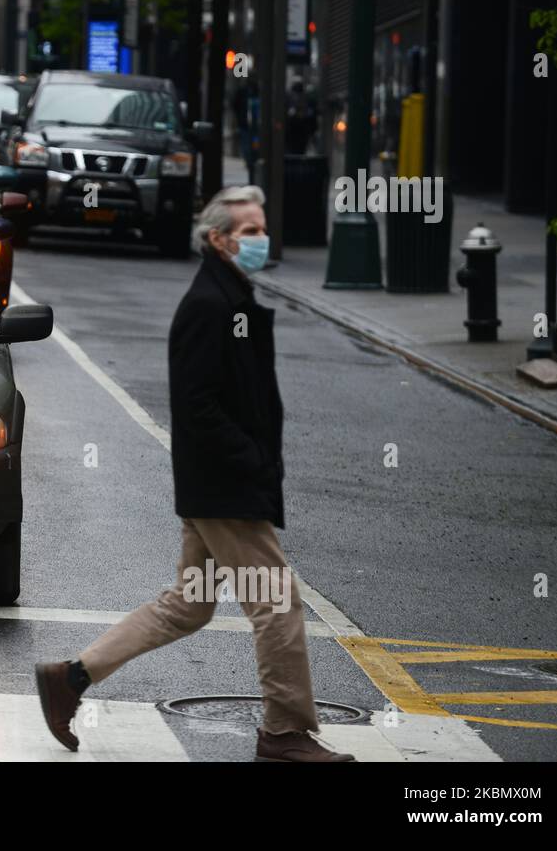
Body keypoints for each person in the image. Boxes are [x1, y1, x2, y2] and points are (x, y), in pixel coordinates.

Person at [34, 185, 355, 763]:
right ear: (219, 239)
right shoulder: (212, 304)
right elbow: (197, 404)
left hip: (219, 483)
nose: (262, 239)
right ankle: (284, 734)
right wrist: (252, 463)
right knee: (277, 602)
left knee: (188, 604)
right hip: (225, 488)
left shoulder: (229, 295)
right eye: (251, 231)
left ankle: (70, 679)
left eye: (262, 228)